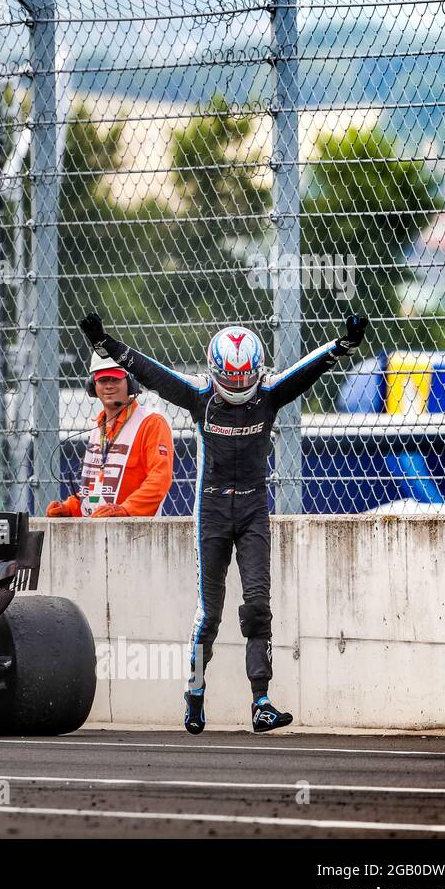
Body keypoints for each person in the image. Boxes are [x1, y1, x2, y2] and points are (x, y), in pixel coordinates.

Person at [78, 312, 369, 734]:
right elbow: (153, 373)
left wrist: (344, 345)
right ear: (215, 372)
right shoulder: (200, 395)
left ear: (256, 371)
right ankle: (194, 691)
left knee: (257, 608)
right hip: (211, 512)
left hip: (253, 510)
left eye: (243, 379)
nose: (235, 387)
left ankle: (262, 701)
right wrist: (107, 345)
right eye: (228, 380)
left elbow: (305, 371)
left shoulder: (269, 393)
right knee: (209, 614)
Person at [47, 353, 174, 518]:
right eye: (103, 380)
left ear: (131, 383)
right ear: (92, 385)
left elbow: (160, 480)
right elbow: (94, 491)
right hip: (95, 534)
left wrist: (126, 510)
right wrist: (71, 508)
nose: (109, 385)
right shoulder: (97, 428)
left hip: (137, 533)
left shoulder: (151, 423)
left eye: (115, 379)